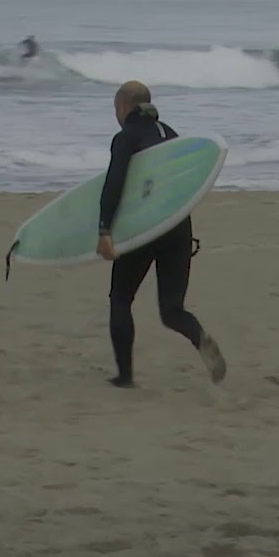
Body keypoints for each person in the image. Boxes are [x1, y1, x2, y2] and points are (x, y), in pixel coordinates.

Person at [96, 80, 227, 388]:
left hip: (145, 228)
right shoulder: (172, 135)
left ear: (125, 106)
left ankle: (125, 377)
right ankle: (199, 338)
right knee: (172, 310)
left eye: (116, 108)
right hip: (178, 227)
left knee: (120, 299)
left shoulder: (126, 137)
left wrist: (104, 229)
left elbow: (114, 184)